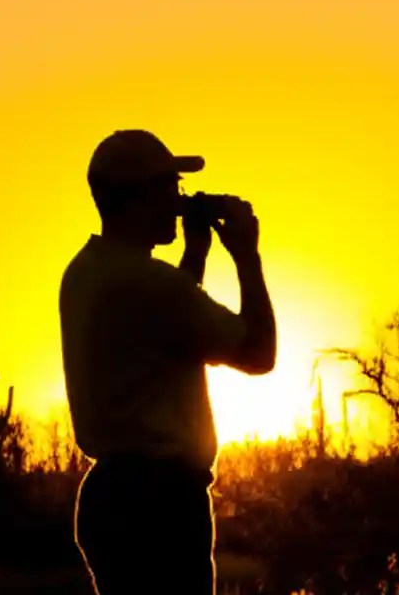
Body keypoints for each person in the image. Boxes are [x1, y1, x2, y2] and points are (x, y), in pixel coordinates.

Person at [59, 129, 277, 594]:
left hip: (110, 498)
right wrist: (247, 258)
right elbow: (259, 354)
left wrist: (194, 253)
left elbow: (160, 328)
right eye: (169, 188)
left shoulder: (87, 271)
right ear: (143, 197)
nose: (179, 200)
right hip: (160, 505)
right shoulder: (150, 284)